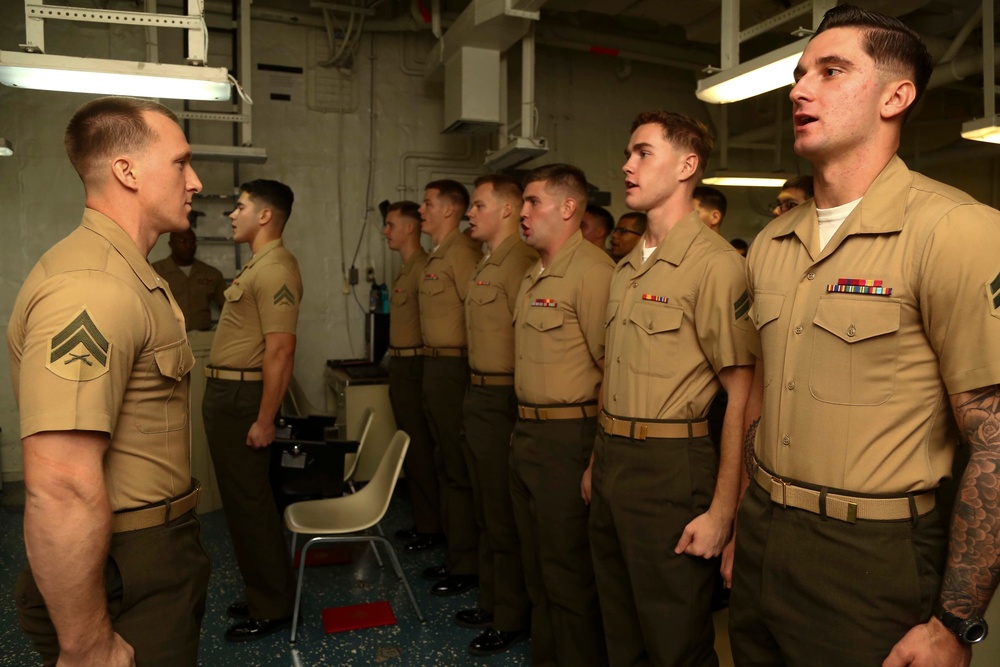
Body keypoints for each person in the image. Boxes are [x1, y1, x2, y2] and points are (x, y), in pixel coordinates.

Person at [729, 6, 1000, 666]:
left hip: (870, 555)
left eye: (832, 70)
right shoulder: (770, 242)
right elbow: (760, 395)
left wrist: (955, 620)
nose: (799, 89)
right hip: (765, 530)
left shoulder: (956, 230)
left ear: (896, 95)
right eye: (798, 74)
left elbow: (995, 435)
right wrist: (742, 521)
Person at [7, 96, 211, 666]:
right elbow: (62, 484)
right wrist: (88, 645)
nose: (195, 182)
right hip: (126, 565)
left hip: (151, 553)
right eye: (180, 163)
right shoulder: (92, 288)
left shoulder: (127, 272)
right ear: (126, 171)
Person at [587, 110, 753, 667]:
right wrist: (595, 461)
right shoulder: (627, 267)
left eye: (642, 153)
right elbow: (615, 374)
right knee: (621, 629)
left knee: (673, 640)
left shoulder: (715, 265)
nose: (627, 165)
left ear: (687, 166)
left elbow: (742, 394)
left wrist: (722, 513)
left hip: (669, 466)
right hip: (613, 460)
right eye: (629, 153)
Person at [512, 163, 614, 666]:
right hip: (527, 433)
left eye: (533, 202)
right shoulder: (535, 273)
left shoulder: (594, 274)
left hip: (569, 437)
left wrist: (597, 459)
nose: (523, 214)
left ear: (568, 208)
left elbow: (610, 374)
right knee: (538, 571)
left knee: (568, 574)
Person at [203, 179, 302, 642]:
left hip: (244, 399)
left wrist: (265, 419)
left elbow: (280, 350)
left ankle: (273, 604)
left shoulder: (276, 268)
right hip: (228, 396)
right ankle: (267, 589)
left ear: (265, 216)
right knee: (242, 506)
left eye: (239, 206)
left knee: (251, 503)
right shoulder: (258, 266)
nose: (231, 214)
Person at [457, 174, 537, 655]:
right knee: (486, 506)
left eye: (479, 205)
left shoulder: (521, 264)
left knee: (504, 515)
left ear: (507, 211)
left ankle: (510, 615)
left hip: (505, 397)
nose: (471, 212)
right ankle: (492, 601)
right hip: (479, 393)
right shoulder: (489, 262)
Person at [417, 179, 483, 595]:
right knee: (444, 463)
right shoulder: (437, 256)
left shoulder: (463, 254)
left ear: (449, 210)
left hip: (456, 367)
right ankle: (453, 554)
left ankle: (466, 563)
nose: (421, 210)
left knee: (459, 468)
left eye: (427, 203)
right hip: (434, 366)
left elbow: (476, 319)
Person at [382, 201, 443, 551]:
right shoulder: (407, 270)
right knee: (412, 449)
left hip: (418, 364)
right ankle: (424, 520)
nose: (386, 232)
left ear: (409, 228)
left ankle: (432, 526)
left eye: (391, 225)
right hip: (402, 365)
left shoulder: (423, 268)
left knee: (421, 448)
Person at [152, 226, 226, 331]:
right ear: (171, 244)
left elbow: (227, 307)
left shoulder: (210, 273)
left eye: (192, 241)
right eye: (183, 241)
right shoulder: (156, 271)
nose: (188, 245)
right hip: (169, 337)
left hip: (203, 338)